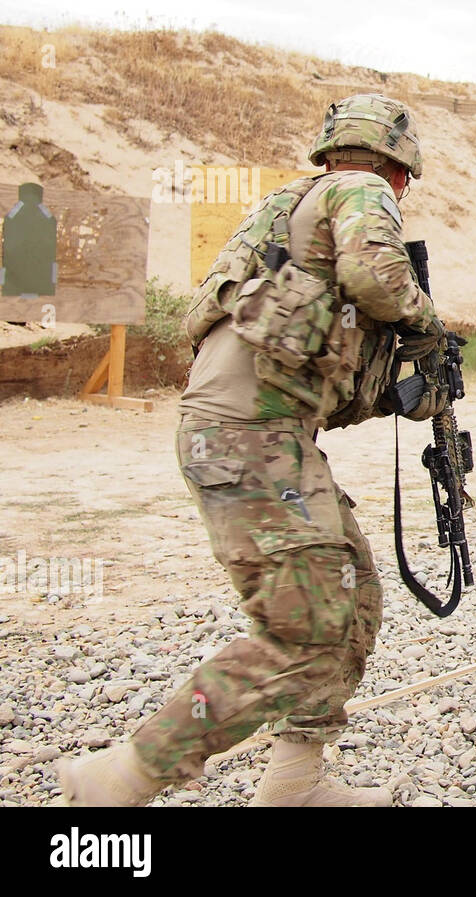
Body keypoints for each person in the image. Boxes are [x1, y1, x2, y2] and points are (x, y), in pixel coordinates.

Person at [59, 93, 444, 806]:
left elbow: (320, 366)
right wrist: (428, 321)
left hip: (262, 434)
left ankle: (296, 782)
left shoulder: (292, 215)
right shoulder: (359, 191)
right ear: (398, 168)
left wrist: (396, 382)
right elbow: (377, 280)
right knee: (304, 626)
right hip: (248, 437)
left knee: (352, 591)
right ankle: (125, 775)